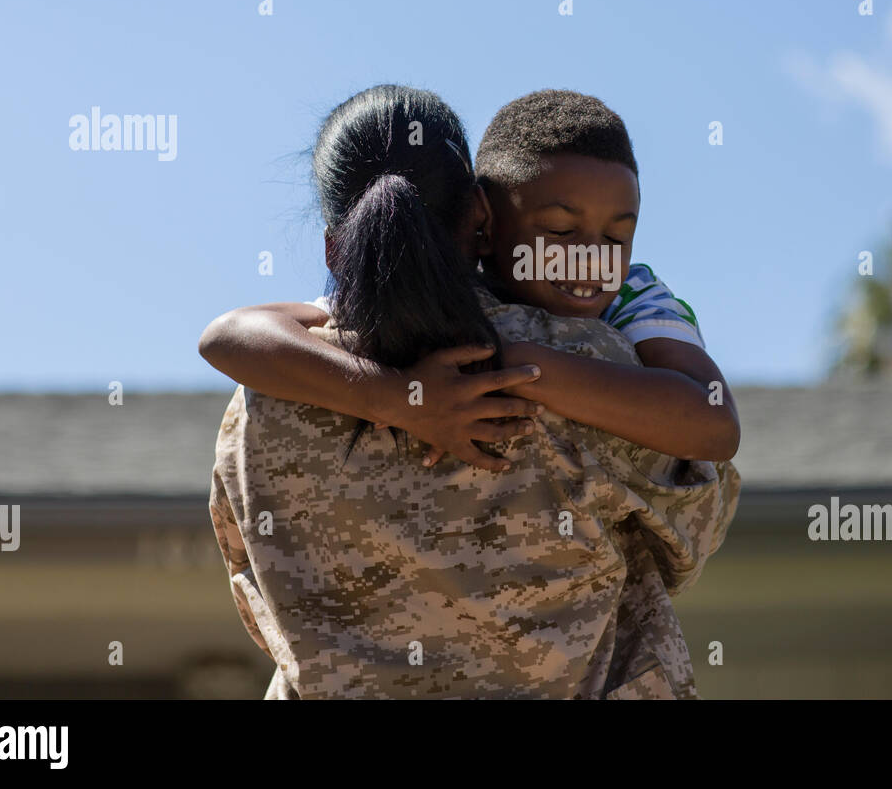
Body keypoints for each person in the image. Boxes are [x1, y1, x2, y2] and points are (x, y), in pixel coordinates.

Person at [206, 84, 739, 698]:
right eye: (562, 231)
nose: (587, 259)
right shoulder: (592, 364)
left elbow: (249, 581)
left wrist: (393, 394)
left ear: (334, 245)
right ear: (482, 218)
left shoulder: (267, 393)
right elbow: (694, 520)